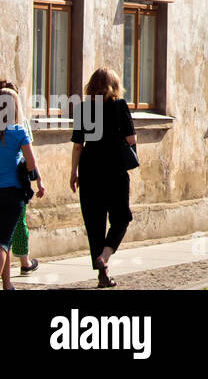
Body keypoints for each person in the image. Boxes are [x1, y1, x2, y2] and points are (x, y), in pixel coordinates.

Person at [71, 68, 136, 288]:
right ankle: (105, 257)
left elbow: (78, 145)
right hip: (115, 167)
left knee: (94, 222)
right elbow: (131, 139)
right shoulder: (119, 106)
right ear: (114, 85)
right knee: (121, 217)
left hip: (89, 168)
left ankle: (103, 275)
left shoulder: (83, 109)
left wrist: (73, 173)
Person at [0, 83, 45, 291]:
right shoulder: (18, 132)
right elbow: (31, 163)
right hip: (12, 193)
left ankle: (7, 284)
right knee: (2, 242)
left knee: (5, 239)